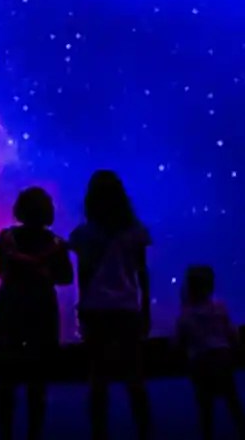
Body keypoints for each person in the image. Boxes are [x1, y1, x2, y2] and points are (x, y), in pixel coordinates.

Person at [0, 187, 74, 440]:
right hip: (41, 308)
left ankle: (5, 434)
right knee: (37, 380)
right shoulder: (54, 243)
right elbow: (66, 277)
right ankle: (34, 434)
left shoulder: (7, 238)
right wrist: (44, 272)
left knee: (7, 379)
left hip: (11, 305)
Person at [68, 170, 152, 440]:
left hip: (95, 309)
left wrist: (80, 310)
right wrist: (145, 311)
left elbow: (83, 276)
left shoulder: (83, 234)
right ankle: (144, 432)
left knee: (98, 379)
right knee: (135, 378)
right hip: (127, 308)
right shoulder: (135, 232)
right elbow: (142, 273)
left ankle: (99, 434)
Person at [174, 265, 245, 440]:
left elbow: (178, 342)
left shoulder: (185, 316)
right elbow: (232, 333)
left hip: (200, 363)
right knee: (232, 400)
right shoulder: (220, 308)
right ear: (210, 285)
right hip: (223, 358)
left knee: (205, 406)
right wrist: (236, 349)